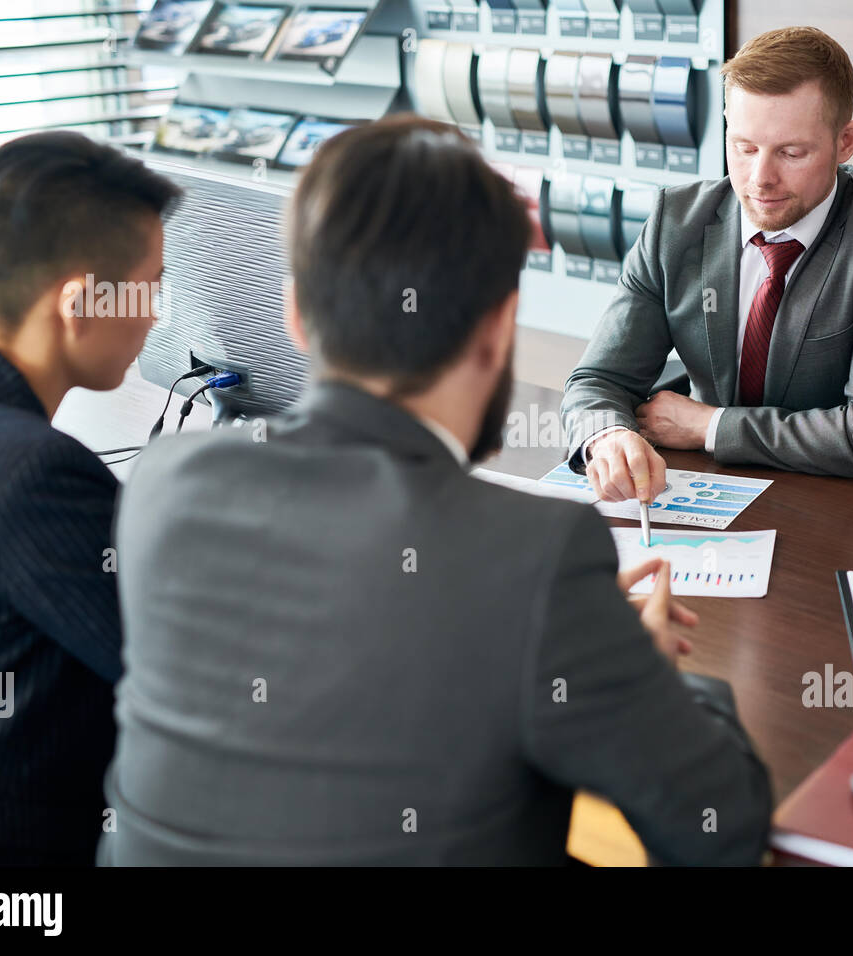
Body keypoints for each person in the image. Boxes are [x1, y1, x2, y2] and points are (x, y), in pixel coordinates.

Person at [102, 114, 773, 866]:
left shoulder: (158, 486)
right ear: (500, 327)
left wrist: (575, 640)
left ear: (294, 314)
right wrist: (643, 672)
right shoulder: (539, 556)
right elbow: (720, 829)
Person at [0, 131, 180, 864]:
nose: (155, 316)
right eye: (150, 288)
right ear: (79, 302)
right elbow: (173, 678)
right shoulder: (33, 476)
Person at [562, 26, 853, 504]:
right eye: (743, 148)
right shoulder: (674, 223)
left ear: (846, 141)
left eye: (791, 152)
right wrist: (608, 437)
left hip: (847, 507)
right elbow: (598, 381)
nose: (760, 179)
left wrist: (710, 424)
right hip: (708, 493)